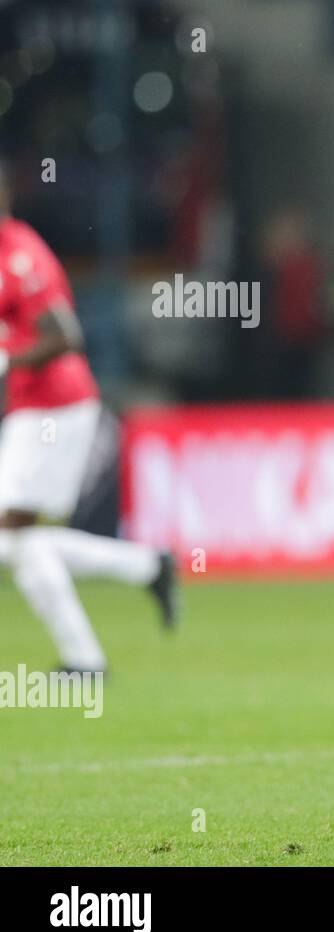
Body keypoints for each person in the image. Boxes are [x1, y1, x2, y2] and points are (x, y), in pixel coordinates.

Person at [0, 162, 177, 674]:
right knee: (17, 541)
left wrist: (8, 360)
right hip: (31, 409)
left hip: (58, 406)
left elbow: (66, 336)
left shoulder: (20, 256)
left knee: (13, 536)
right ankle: (142, 569)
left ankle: (87, 656)